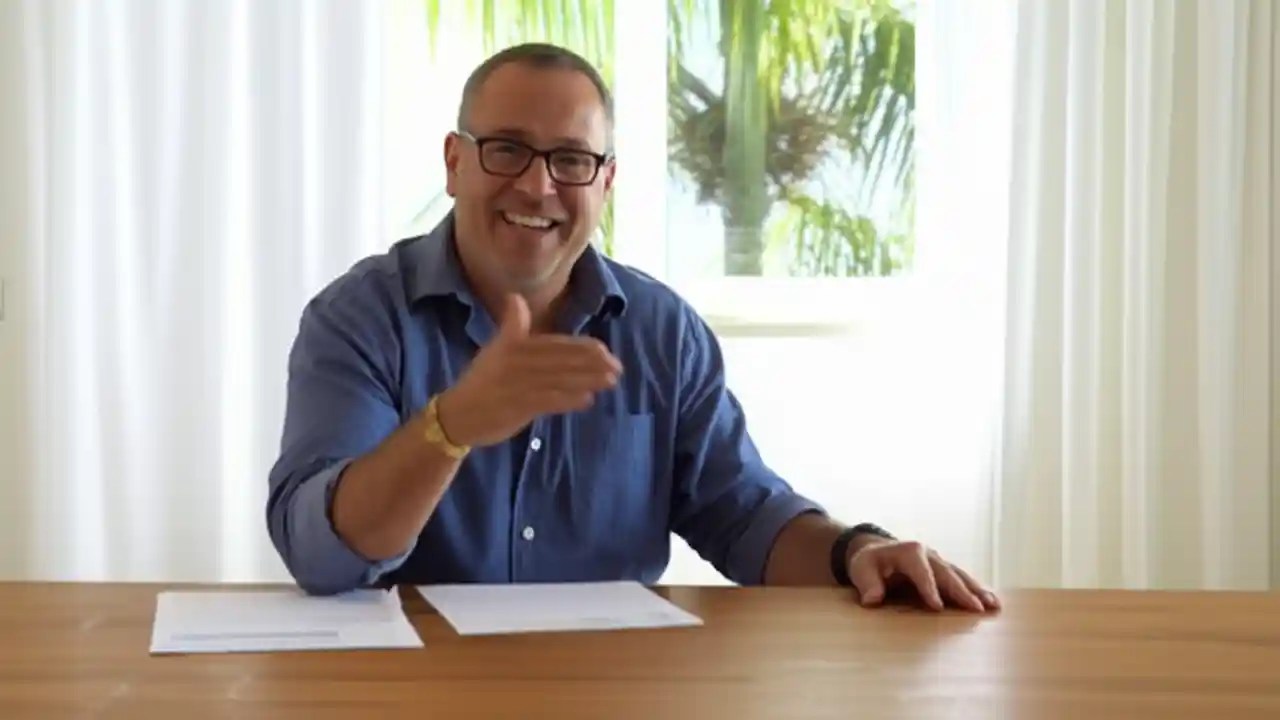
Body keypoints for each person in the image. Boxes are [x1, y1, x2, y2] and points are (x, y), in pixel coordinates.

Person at [265, 42, 1000, 614]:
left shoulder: (661, 330)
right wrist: (449, 427)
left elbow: (741, 516)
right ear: (455, 162)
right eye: (507, 149)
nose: (537, 184)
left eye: (572, 159)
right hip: (404, 695)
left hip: (613, 689)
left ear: (605, 184)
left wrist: (855, 553)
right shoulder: (359, 318)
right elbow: (321, 556)